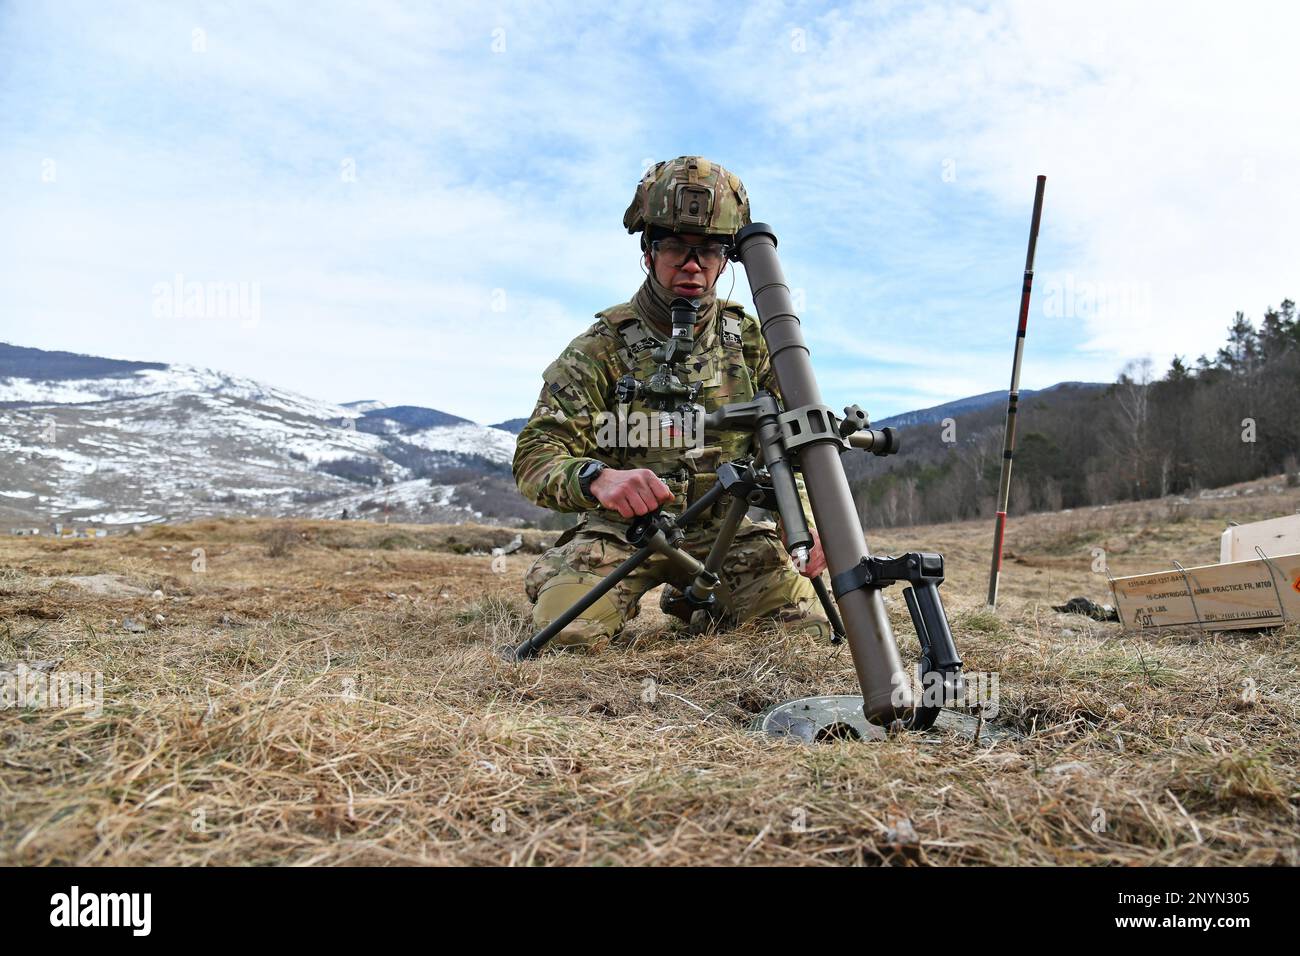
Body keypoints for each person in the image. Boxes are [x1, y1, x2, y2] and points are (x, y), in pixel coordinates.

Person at [513, 155, 829, 651]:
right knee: (567, 640)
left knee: (803, 635)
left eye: (708, 251)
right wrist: (598, 478)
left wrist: (811, 521)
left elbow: (800, 440)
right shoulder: (599, 347)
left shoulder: (750, 340)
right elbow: (535, 455)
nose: (691, 265)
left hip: (723, 534)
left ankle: (695, 602)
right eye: (675, 247)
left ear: (726, 260)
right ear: (648, 252)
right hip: (621, 534)